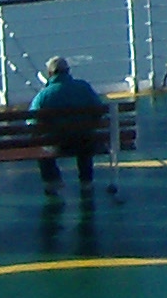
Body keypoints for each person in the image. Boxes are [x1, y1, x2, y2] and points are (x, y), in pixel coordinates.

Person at [28, 57, 114, 196]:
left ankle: (52, 181)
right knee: (84, 138)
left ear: (49, 74)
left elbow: (31, 122)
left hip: (58, 144)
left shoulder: (44, 95)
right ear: (68, 71)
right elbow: (100, 110)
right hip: (85, 142)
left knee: (41, 144)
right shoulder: (84, 88)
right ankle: (86, 181)